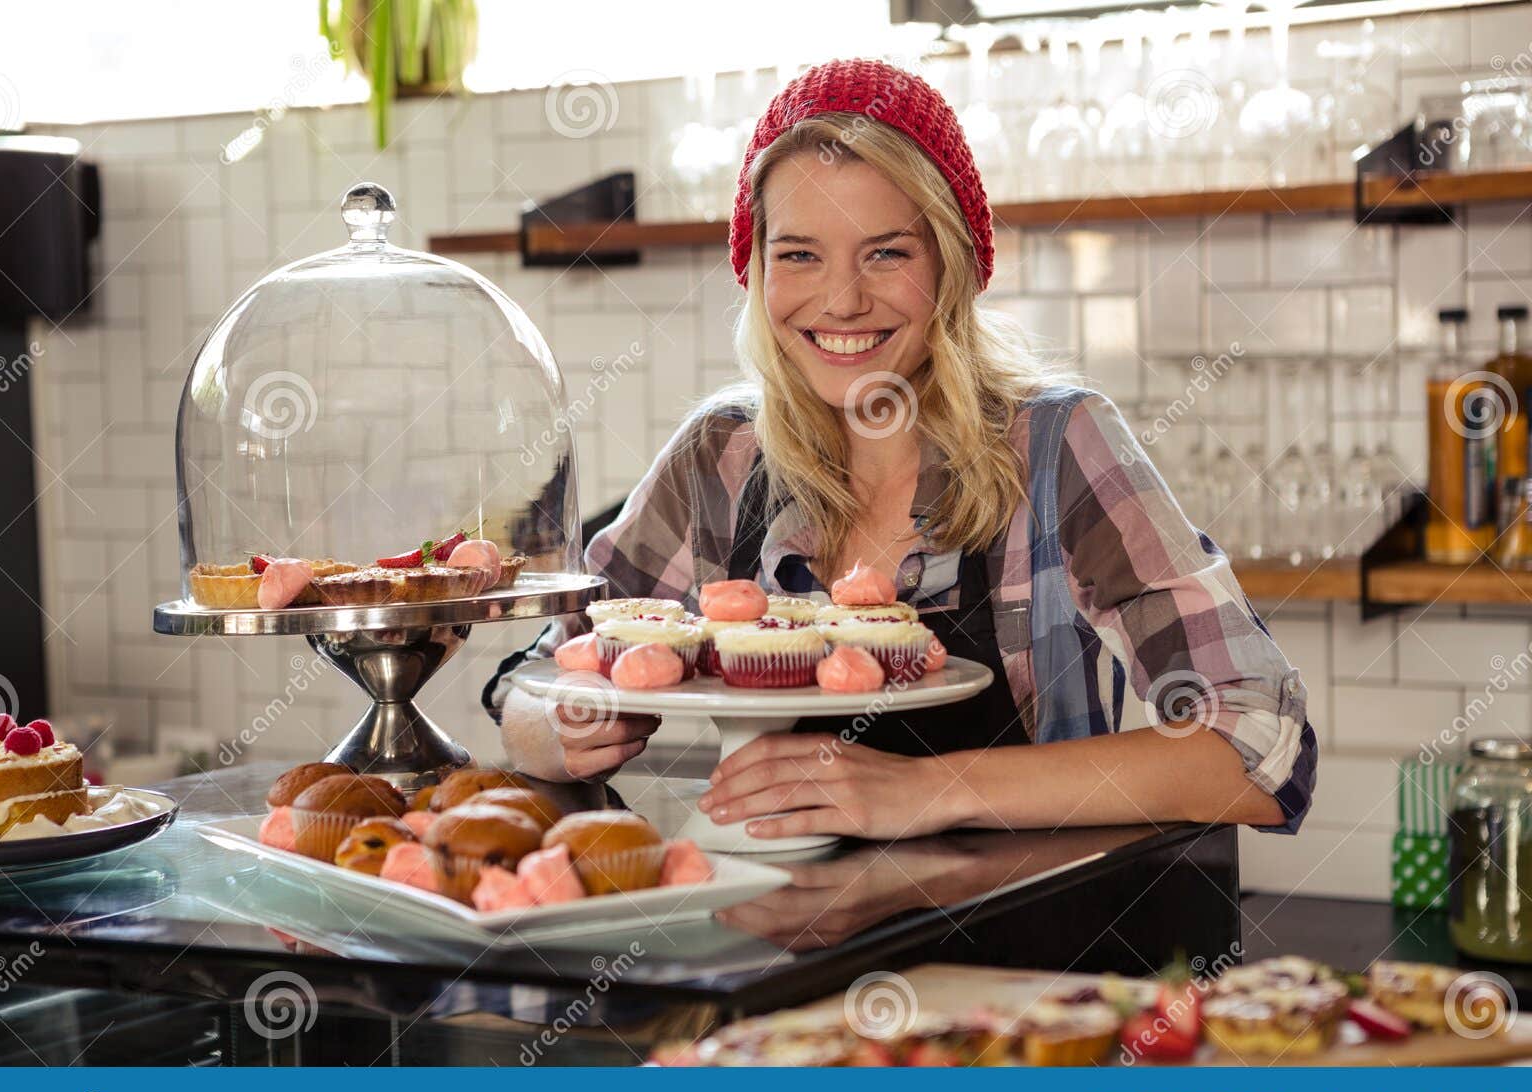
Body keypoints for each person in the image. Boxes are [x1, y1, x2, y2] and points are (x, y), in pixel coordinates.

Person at [484, 58, 1315, 842]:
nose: (842, 301)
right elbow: (536, 678)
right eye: (799, 255)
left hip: (1022, 965)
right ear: (756, 271)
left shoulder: (1057, 444)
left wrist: (922, 791)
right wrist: (556, 732)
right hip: (781, 951)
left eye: (887, 253)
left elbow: (1260, 746)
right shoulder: (720, 456)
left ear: (950, 264)